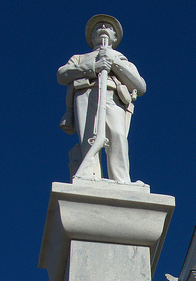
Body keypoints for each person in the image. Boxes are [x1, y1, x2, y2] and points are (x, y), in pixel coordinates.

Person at [57, 15, 146, 183]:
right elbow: (62, 74)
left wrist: (113, 63)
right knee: (89, 137)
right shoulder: (80, 58)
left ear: (114, 37)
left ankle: (122, 179)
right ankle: (90, 175)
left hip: (113, 96)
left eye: (110, 27)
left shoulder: (120, 59)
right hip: (85, 93)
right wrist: (93, 67)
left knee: (117, 136)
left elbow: (140, 86)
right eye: (99, 26)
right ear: (92, 37)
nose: (104, 26)